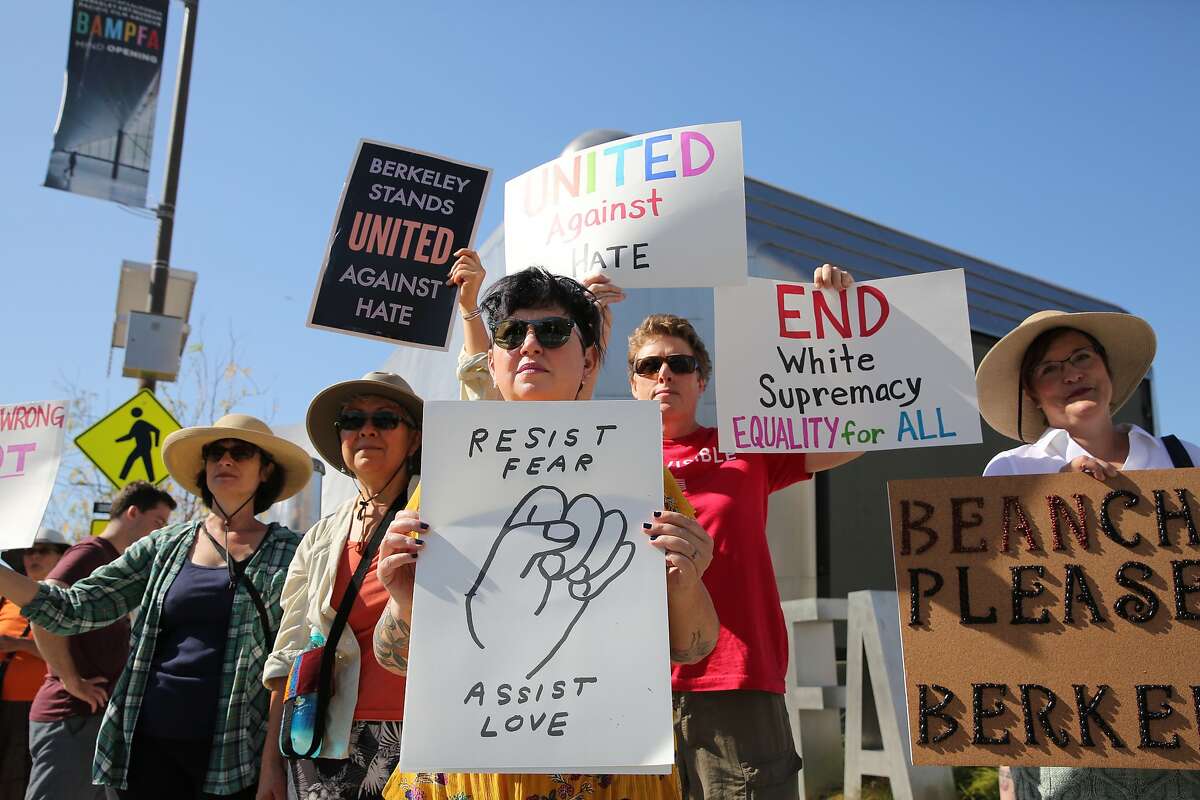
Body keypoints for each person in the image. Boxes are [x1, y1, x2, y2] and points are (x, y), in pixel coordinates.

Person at [375, 267, 720, 800]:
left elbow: (694, 647)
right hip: (468, 774)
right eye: (512, 335)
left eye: (554, 332)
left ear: (589, 359)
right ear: (492, 360)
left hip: (605, 769)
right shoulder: (446, 477)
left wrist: (686, 582)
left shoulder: (643, 478)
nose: (530, 344)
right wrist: (402, 599)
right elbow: (392, 657)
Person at [622, 265, 862, 799]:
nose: (666, 374)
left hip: (736, 676)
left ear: (701, 380)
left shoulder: (746, 444)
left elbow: (855, 433)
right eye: (650, 365)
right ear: (633, 382)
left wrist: (835, 321)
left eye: (680, 364)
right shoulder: (600, 455)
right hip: (627, 684)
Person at [0, 414, 312, 799]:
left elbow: (291, 664)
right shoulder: (164, 545)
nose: (225, 460)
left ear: (266, 471)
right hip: (144, 746)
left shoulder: (293, 551)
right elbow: (75, 608)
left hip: (234, 755)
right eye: (216, 452)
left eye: (240, 452)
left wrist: (273, 766)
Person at [976, 309, 1200, 800]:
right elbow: (990, 599)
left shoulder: (1185, 458)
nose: (1071, 373)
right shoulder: (1013, 469)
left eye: (1081, 358)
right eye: (1049, 368)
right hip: (1068, 728)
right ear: (1032, 393)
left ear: (1107, 370)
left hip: (1185, 718)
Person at [264, 372, 423, 800]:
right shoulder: (319, 539)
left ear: (414, 440)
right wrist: (270, 770)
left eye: (386, 419)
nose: (366, 429)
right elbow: (289, 656)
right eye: (352, 420)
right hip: (322, 741)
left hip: (422, 738)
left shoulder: (436, 521)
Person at [25, 481, 176, 800]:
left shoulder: (118, 563)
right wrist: (70, 679)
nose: (160, 533)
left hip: (93, 717)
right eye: (158, 522)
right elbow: (44, 609)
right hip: (70, 714)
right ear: (133, 512)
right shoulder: (90, 552)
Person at [1, 529, 69, 800]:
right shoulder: (5, 599)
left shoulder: (69, 600)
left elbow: (75, 653)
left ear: (61, 557)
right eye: (29, 551)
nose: (33, 557)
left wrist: (21, 645)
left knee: (26, 778)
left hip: (38, 708)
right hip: (4, 704)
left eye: (43, 550)